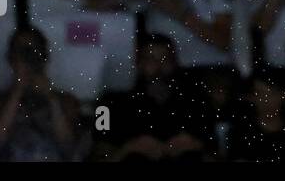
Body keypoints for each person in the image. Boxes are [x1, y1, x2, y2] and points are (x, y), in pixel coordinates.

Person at [92, 34, 215, 162]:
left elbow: (219, 152)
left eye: (165, 59)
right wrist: (128, 149)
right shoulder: (107, 103)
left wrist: (196, 146)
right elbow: (97, 153)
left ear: (175, 63)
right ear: (138, 63)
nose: (158, 67)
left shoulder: (197, 101)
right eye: (150, 59)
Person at [0, 28, 86, 161]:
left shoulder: (67, 102)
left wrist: (52, 99)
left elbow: (69, 147)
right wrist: (17, 92)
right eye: (21, 52)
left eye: (34, 52)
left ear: (44, 57)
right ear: (10, 58)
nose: (29, 59)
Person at [226, 68, 285, 162]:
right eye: (261, 94)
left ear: (282, 95)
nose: (267, 101)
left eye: (272, 94)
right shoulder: (240, 130)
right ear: (251, 97)